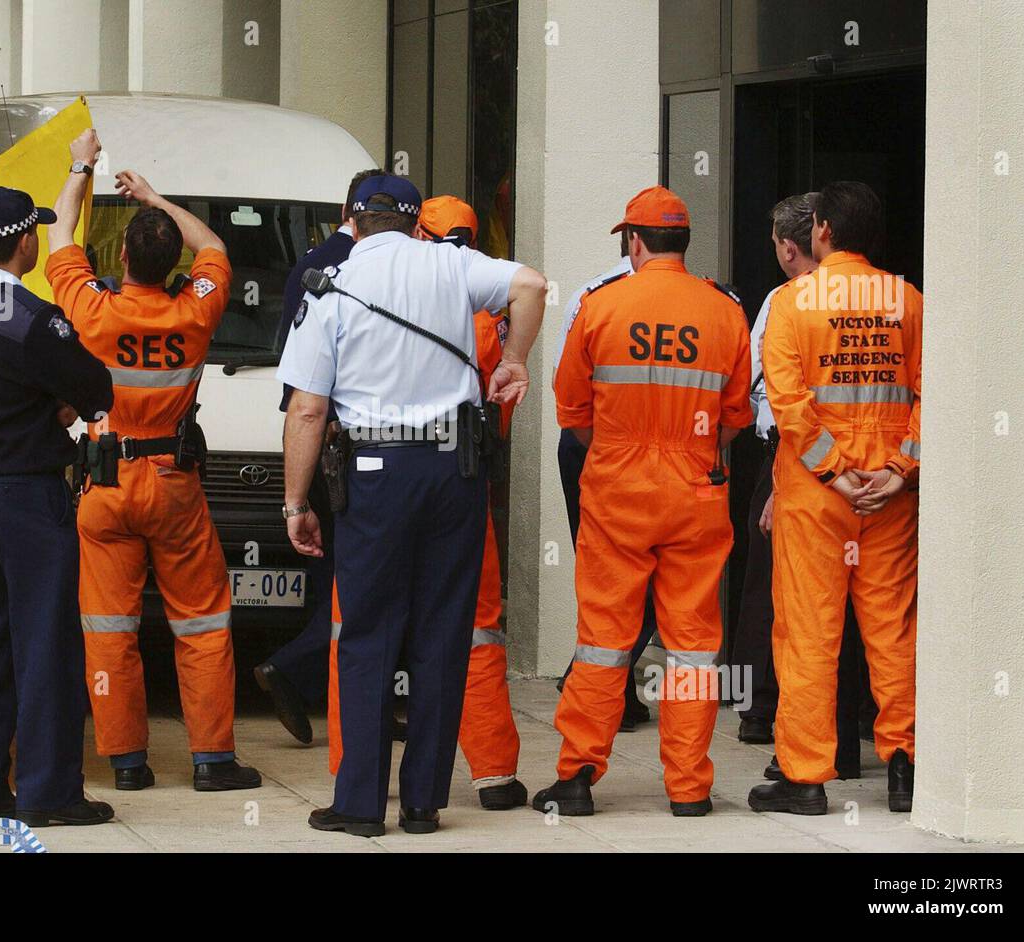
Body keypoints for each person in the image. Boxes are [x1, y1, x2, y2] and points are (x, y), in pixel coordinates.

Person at [279, 174, 546, 836]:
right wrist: (513, 359)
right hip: (455, 473)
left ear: (351, 218)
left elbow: (308, 408)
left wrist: (294, 503)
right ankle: (424, 803)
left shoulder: (331, 287)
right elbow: (533, 286)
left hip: (376, 473)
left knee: (367, 634)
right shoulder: (452, 266)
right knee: (442, 632)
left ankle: (361, 805)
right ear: (413, 220)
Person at [43, 129, 261, 792]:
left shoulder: (93, 309)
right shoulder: (194, 311)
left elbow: (59, 236)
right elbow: (214, 246)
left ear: (123, 259)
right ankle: (213, 760)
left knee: (110, 628)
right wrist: (157, 198)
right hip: (173, 486)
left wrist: (84, 164)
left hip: (104, 485)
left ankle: (127, 762)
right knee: (200, 623)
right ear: (171, 266)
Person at [534, 185, 753, 818]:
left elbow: (572, 413)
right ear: (682, 242)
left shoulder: (601, 306)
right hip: (696, 494)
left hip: (617, 492)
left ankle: (577, 777)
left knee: (604, 637)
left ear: (634, 241)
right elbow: (736, 416)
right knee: (691, 644)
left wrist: (620, 452)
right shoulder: (725, 310)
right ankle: (689, 789)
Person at [0, 184, 115, 828]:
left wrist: (45, 398)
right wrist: (58, 403)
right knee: (44, 642)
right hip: (27, 495)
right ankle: (48, 791)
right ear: (24, 242)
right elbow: (94, 386)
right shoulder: (31, 317)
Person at [749, 181, 921, 815]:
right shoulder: (910, 301)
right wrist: (901, 471)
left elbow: (789, 404)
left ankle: (806, 777)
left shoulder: (793, 302)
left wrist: (831, 471)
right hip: (890, 496)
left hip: (817, 496)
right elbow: (930, 394)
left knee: (808, 631)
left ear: (820, 231)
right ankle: (902, 767)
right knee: (893, 628)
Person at [254, 168, 387, 744]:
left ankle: (327, 687)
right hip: (357, 443)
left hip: (313, 437)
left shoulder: (310, 266)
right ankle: (304, 669)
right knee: (359, 582)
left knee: (336, 576)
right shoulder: (380, 267)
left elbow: (297, 381)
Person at [553, 238, 655, 733]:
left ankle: (600, 686)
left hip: (600, 448)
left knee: (614, 577)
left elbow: (564, 385)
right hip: (616, 452)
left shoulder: (591, 296)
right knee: (631, 579)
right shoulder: (707, 302)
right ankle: (597, 685)